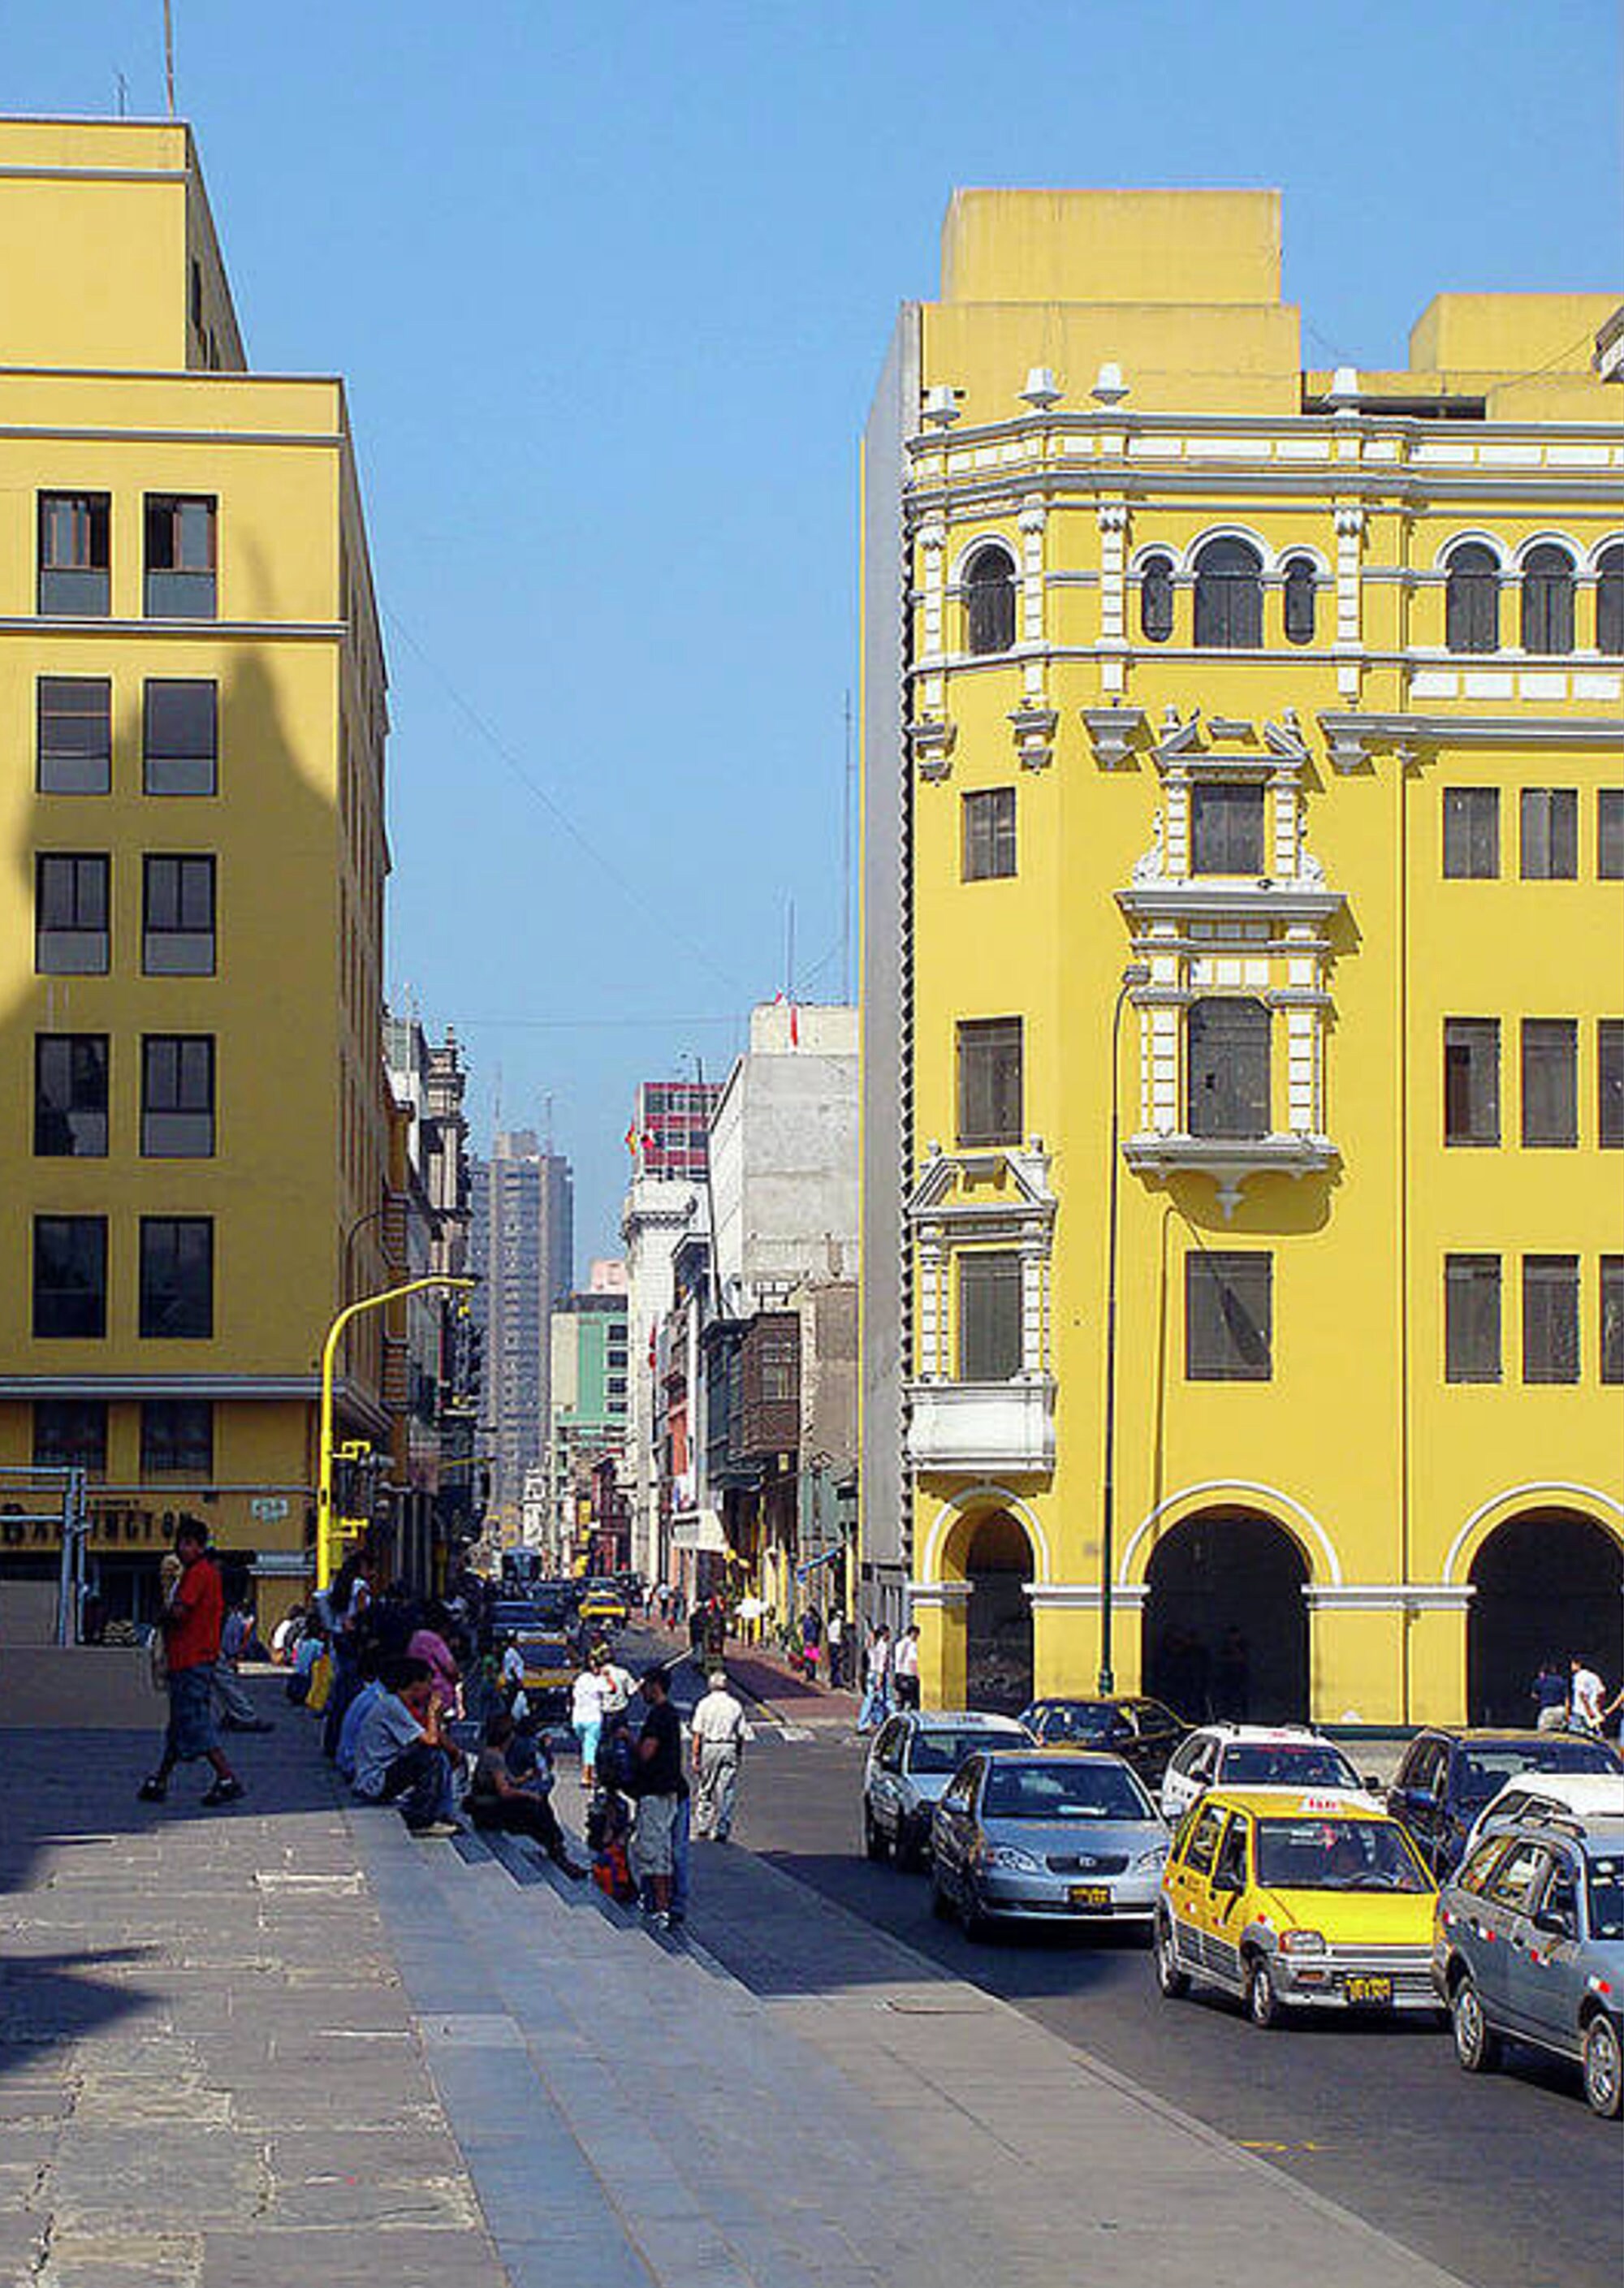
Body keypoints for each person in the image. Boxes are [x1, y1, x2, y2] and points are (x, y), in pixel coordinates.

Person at [138, 1523, 244, 1808]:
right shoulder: (203, 1573)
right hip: (194, 1656)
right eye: (181, 1543)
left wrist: (161, 1615)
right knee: (179, 1725)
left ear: (200, 1546)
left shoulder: (198, 1574)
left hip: (191, 1658)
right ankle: (160, 1779)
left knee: (194, 1720)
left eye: (189, 1543)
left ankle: (227, 1778)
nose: (183, 1549)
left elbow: (180, 1612)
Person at [351, 1657, 463, 1835]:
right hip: (374, 1781)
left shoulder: (396, 1704)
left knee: (435, 1755)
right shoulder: (392, 1706)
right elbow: (431, 1740)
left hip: (382, 1775)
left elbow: (429, 1736)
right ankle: (422, 1820)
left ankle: (441, 1813)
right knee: (432, 1757)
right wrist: (432, 1712)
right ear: (415, 1685)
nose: (430, 1690)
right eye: (428, 1684)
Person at [466, 1712, 585, 1875]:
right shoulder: (494, 1757)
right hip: (487, 1809)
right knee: (536, 1808)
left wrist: (526, 1777)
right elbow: (505, 1791)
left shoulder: (493, 1754)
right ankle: (556, 1849)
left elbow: (510, 1781)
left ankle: (556, 1847)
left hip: (489, 1804)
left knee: (539, 1804)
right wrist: (528, 1795)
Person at [629, 1664, 686, 1927]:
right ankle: (664, 1903)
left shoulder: (658, 1716)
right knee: (667, 1850)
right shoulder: (670, 1713)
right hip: (669, 1789)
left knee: (654, 1851)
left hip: (657, 1791)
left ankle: (661, 1906)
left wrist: (628, 1742)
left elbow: (646, 1753)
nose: (641, 1691)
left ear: (655, 1686)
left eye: (644, 1686)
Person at [689, 1669, 747, 1841]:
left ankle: (703, 1825)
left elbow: (698, 1733)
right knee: (726, 1790)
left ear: (710, 1686)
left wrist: (695, 1756)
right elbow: (741, 1733)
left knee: (706, 1787)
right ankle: (722, 1827)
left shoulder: (704, 1704)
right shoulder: (735, 1705)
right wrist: (738, 1753)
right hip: (729, 1746)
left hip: (710, 1746)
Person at [408, 1604, 462, 1719]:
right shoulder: (434, 1640)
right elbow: (451, 1668)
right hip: (438, 1694)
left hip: (418, 1693)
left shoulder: (415, 1637)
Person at [572, 1652, 610, 1776]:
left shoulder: (579, 1679)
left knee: (586, 1745)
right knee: (590, 1746)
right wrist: (607, 1677)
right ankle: (587, 1775)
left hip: (577, 1718)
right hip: (593, 1718)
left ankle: (589, 1771)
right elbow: (612, 1689)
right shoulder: (599, 1680)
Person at [857, 1622, 892, 1732]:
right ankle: (885, 1720)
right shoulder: (882, 1645)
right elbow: (881, 1664)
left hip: (870, 1673)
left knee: (871, 1699)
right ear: (885, 1633)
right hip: (877, 1674)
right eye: (888, 1633)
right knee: (882, 1699)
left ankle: (869, 1722)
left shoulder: (872, 1644)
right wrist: (880, 1678)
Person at [1569, 1655, 1605, 1734]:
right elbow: (1602, 1693)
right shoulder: (1595, 1676)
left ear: (1578, 1664)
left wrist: (1589, 1711)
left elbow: (1582, 1695)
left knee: (1577, 1737)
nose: (1571, 1667)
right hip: (1594, 1713)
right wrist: (1598, 1708)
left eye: (1572, 1664)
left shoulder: (1579, 1676)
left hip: (1580, 1713)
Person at [1531, 1657, 1569, 1730]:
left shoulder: (1540, 1681)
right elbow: (1567, 1699)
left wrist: (1542, 1698)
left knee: (1542, 1733)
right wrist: (1567, 1715)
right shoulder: (1562, 1681)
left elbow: (1534, 1695)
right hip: (1560, 1710)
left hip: (1547, 1710)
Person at [893, 1623, 922, 1711]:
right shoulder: (912, 1645)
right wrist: (917, 1674)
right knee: (914, 1701)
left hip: (899, 1674)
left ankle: (900, 1715)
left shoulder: (899, 1644)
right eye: (917, 1635)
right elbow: (912, 1661)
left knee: (902, 1699)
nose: (917, 1638)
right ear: (913, 1633)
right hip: (909, 1675)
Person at [799, 1606, 823, 1681]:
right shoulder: (811, 1620)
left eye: (808, 1612)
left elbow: (812, 1631)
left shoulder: (811, 1621)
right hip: (812, 1641)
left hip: (810, 1641)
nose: (807, 1613)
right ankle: (811, 1674)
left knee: (809, 1658)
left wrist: (810, 1640)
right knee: (811, 1658)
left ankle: (809, 1675)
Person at [825, 1609, 845, 1690]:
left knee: (833, 1662)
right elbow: (839, 1634)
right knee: (836, 1663)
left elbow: (828, 1633)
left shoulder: (832, 1623)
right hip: (836, 1643)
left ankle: (834, 1680)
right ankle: (834, 1681)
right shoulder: (839, 1624)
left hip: (831, 1643)